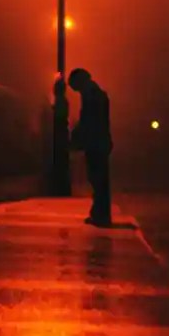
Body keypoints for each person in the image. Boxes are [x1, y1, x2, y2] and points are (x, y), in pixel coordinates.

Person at [68, 68, 112, 226]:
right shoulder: (96, 93)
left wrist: (77, 136)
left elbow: (89, 120)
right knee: (99, 179)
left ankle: (100, 215)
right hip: (100, 142)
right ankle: (100, 213)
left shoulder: (91, 95)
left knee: (97, 179)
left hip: (96, 143)